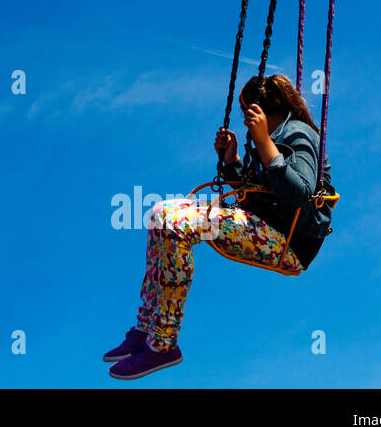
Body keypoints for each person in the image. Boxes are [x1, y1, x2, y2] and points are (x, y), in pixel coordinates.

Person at [103, 74, 334, 379]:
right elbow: (258, 194)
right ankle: (147, 327)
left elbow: (299, 193)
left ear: (270, 107)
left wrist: (264, 141)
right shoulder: (273, 138)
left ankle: (164, 343)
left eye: (251, 114)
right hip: (261, 228)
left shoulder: (298, 133)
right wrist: (232, 161)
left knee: (175, 225)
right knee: (159, 214)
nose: (249, 124)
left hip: (287, 243)